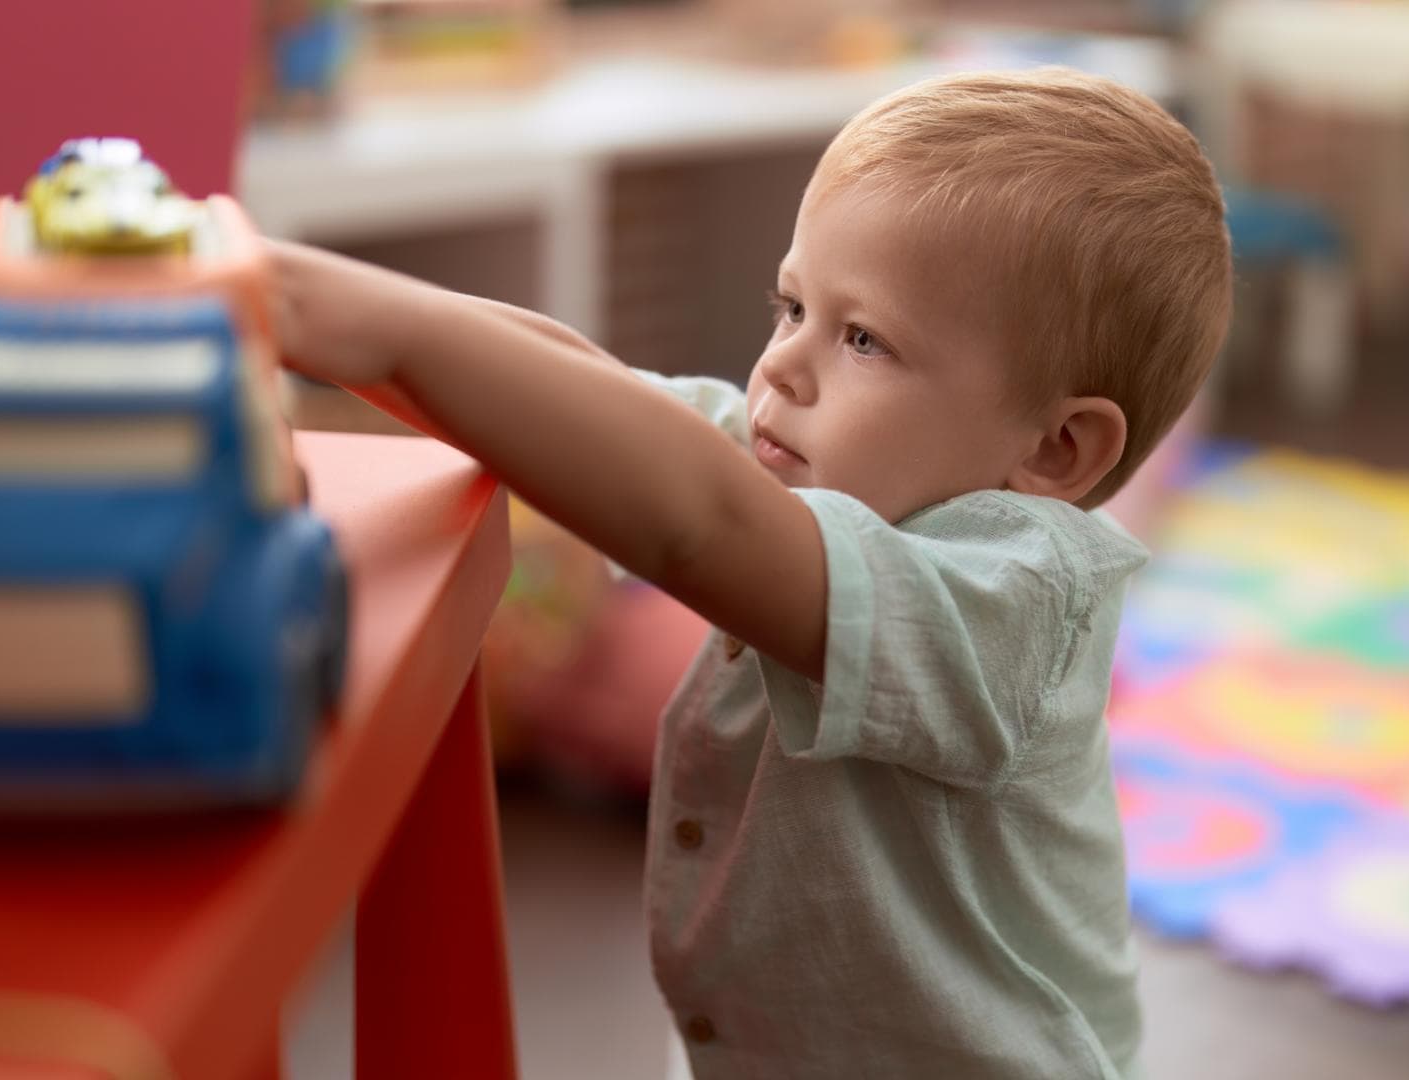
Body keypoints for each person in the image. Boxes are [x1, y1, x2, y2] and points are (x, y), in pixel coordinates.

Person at [269, 67, 1231, 1078]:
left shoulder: (1020, 597)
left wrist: (373, 326)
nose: (781, 367)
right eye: (791, 305)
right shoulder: (807, 459)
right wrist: (336, 318)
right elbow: (596, 389)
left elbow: (699, 525)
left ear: (1056, 451)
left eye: (862, 338)